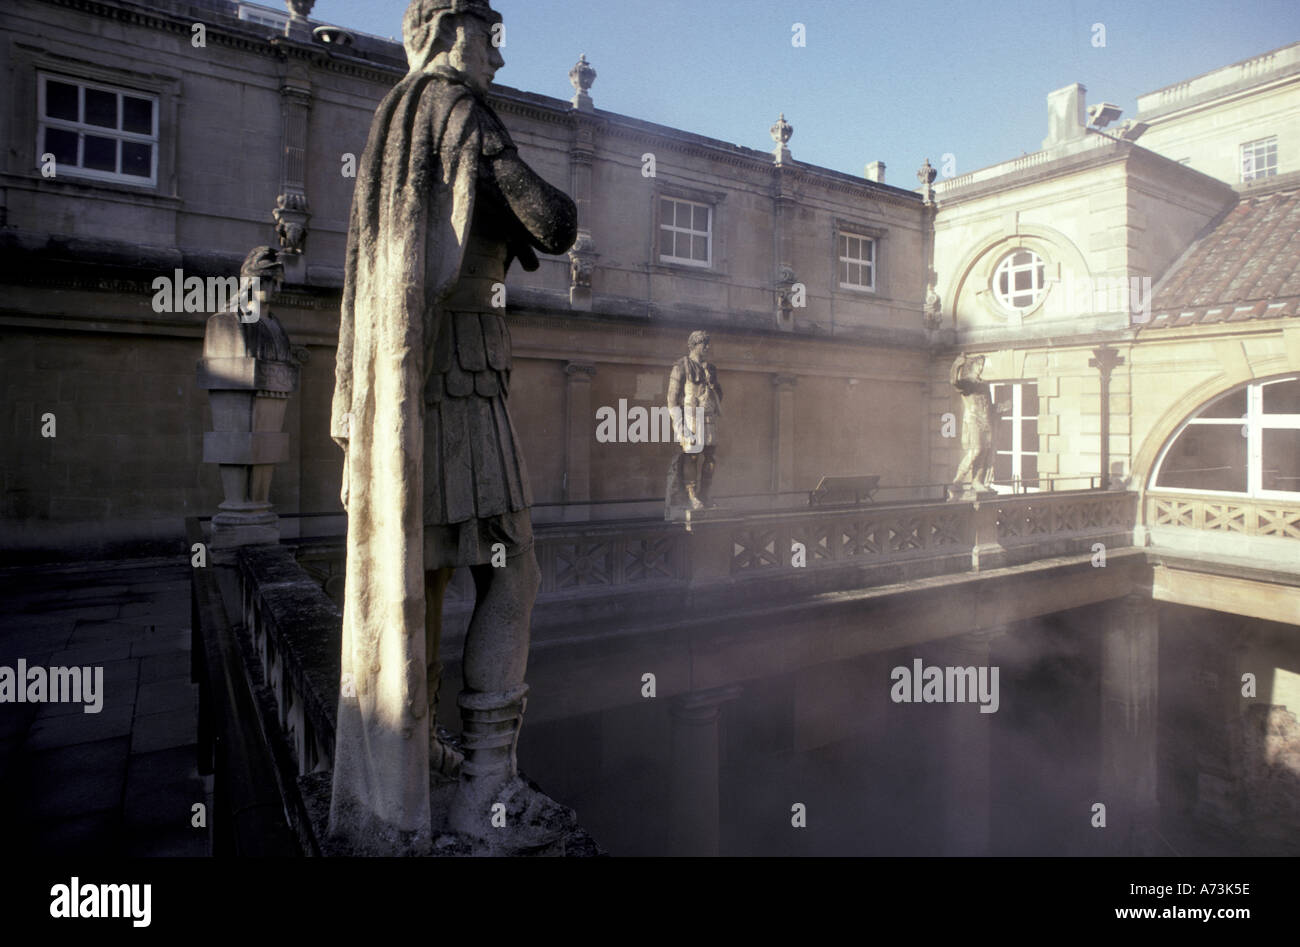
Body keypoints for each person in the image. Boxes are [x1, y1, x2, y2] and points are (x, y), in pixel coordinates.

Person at [328, 0, 577, 850]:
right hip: (461, 385)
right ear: (447, 29)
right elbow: (556, 219)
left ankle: (418, 758)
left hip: (412, 387)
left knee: (426, 573)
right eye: (490, 36)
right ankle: (485, 784)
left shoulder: (392, 117)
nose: (499, 60)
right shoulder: (456, 107)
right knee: (513, 570)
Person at [665, 330, 722, 518]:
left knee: (711, 456)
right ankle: (691, 495)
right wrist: (679, 426)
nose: (707, 347)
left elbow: (719, 395)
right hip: (691, 416)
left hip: (708, 415)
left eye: (708, 343)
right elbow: (672, 399)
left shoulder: (711, 369)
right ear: (694, 345)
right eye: (704, 344)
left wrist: (713, 385)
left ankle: (705, 494)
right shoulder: (681, 366)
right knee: (692, 456)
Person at [949, 354, 1004, 497]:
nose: (980, 368)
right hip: (974, 420)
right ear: (972, 366)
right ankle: (958, 480)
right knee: (977, 449)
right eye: (978, 365)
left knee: (985, 451)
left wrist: (1000, 407)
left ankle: (977, 481)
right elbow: (954, 382)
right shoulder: (968, 382)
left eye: (982, 365)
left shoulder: (984, 385)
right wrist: (957, 365)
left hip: (986, 420)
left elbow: (989, 405)